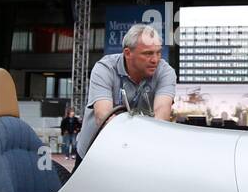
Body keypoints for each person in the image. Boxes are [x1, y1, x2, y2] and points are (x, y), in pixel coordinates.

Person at [75, 24, 175, 157]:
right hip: (93, 153)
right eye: (148, 53)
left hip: (136, 153)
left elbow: (161, 115)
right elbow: (103, 117)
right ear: (128, 53)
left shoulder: (165, 72)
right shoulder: (104, 69)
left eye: (158, 52)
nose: (155, 60)